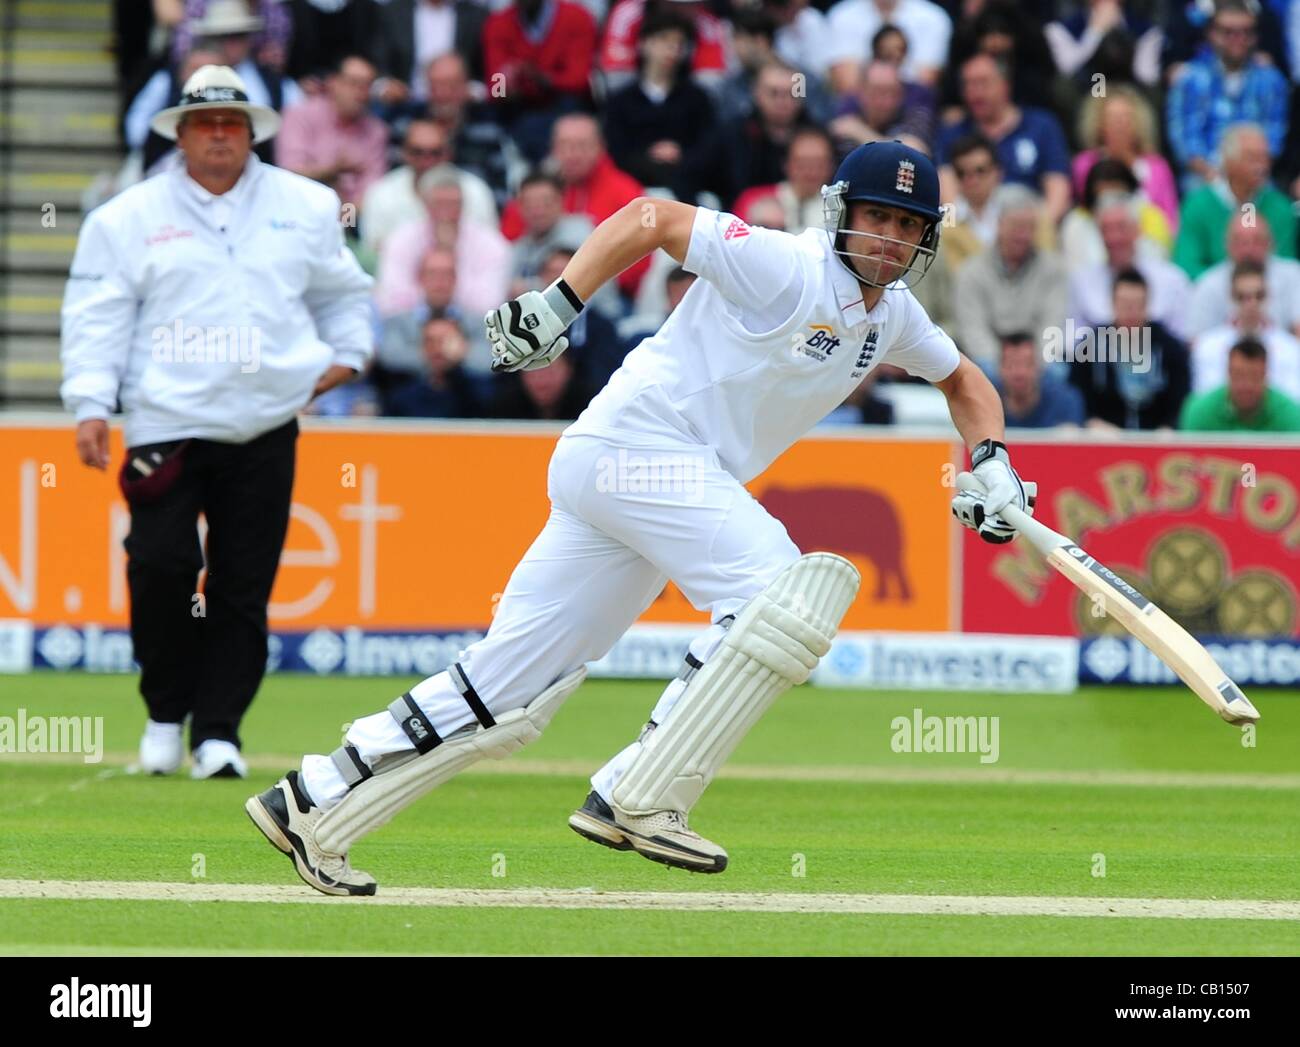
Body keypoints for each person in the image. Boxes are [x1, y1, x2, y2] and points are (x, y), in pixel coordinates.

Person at [245, 141, 1037, 895]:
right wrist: (559, 302)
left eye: (907, 226)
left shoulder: (892, 315)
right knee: (780, 588)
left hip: (637, 473)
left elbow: (964, 381)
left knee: (511, 694)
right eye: (876, 217)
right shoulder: (786, 264)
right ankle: (636, 790)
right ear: (840, 212)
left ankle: (314, 798)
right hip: (641, 447)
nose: (890, 239)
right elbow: (651, 218)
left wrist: (993, 461)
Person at [62, 66, 373, 780]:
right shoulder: (126, 215)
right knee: (162, 564)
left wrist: (348, 358)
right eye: (205, 123)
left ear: (253, 132)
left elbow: (343, 292)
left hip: (265, 419)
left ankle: (220, 732)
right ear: (181, 133)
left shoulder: (308, 205)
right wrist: (88, 402)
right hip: (164, 419)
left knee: (242, 584)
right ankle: (165, 714)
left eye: (233, 123)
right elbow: (96, 315)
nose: (220, 136)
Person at [953, 186, 1068, 367]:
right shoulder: (972, 271)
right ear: (999, 225)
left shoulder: (1053, 270)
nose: (1022, 235)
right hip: (990, 361)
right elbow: (973, 332)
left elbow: (1053, 327)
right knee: (981, 369)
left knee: (1057, 370)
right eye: (1016, 226)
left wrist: (1028, 366)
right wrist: (1008, 367)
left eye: (1029, 227)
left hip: (1037, 362)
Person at [1067, 268, 1191, 430]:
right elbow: (1076, 395)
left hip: (1157, 438)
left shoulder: (1170, 348)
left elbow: (1181, 397)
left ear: (1147, 305)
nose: (1131, 312)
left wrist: (1169, 426)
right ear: (1113, 304)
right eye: (1125, 305)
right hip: (1105, 437)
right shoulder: (1089, 347)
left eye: (1137, 305)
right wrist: (1091, 422)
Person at [1172, 123, 1297, 279]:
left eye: (1265, 158)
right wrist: (1228, 289)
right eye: (1252, 158)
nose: (1262, 167)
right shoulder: (1198, 206)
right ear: (1228, 161)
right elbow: (1187, 264)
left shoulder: (1279, 208)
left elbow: (1285, 266)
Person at [275, 54, 389, 214]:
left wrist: (343, 220)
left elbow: (372, 193)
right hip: (298, 212)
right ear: (333, 83)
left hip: (352, 221)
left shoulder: (376, 131)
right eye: (354, 83)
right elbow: (289, 174)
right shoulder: (299, 115)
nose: (361, 93)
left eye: (367, 86)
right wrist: (332, 170)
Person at [1189, 260, 1300, 399]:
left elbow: (1293, 401)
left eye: (1258, 296)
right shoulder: (1207, 347)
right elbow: (1205, 399)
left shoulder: (1290, 349)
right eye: (1242, 297)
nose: (1251, 304)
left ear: (1269, 297)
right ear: (1231, 298)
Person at [1179, 338, 1300, 432]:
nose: (1246, 385)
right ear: (1228, 373)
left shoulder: (1290, 415)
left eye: (1254, 376)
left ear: (1265, 375)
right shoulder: (1200, 412)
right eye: (1239, 375)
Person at [987, 332, 1086, 429]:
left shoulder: (1065, 401)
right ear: (999, 368)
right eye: (1011, 365)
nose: (1020, 373)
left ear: (1039, 367)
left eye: (1027, 364)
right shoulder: (986, 403)